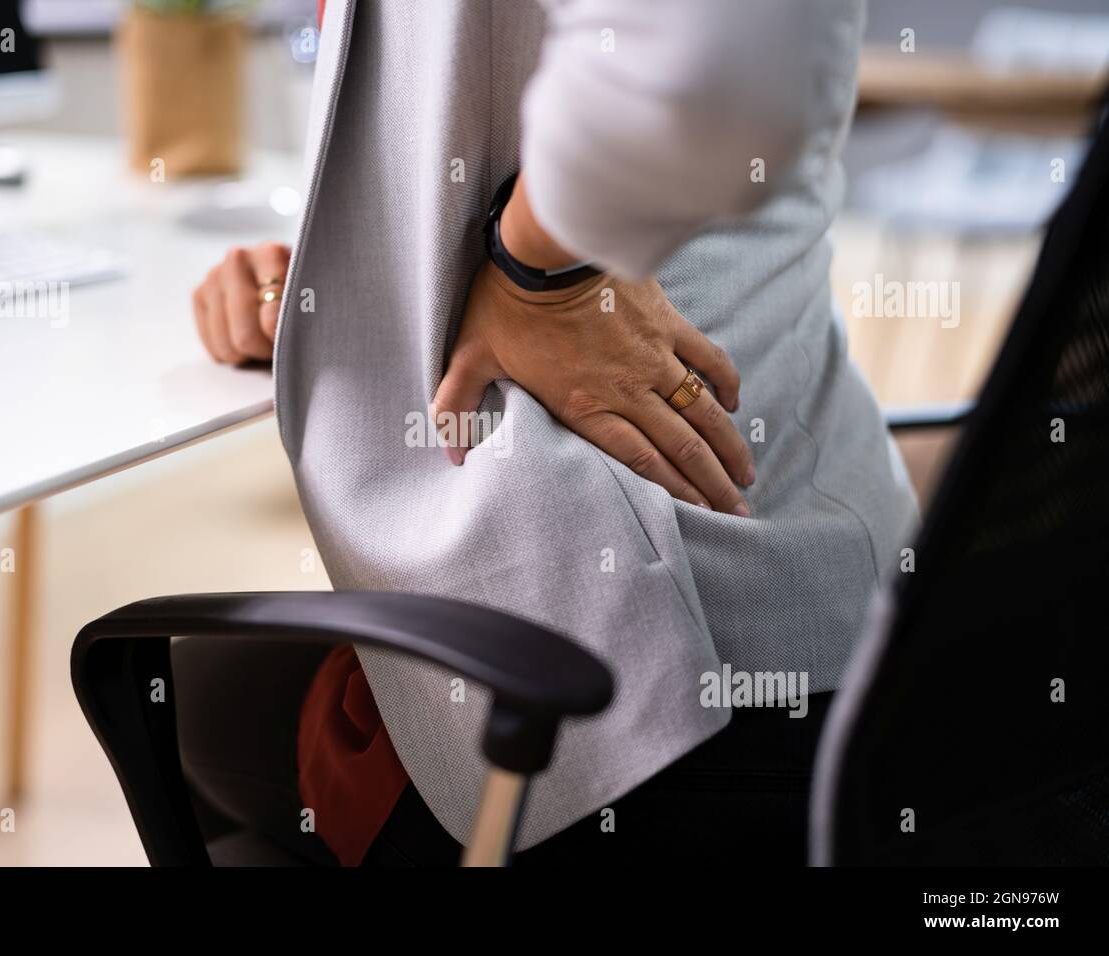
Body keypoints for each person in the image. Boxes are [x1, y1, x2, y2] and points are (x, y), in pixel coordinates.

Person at [184, 0, 917, 866]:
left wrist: (547, 267)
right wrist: (327, 282)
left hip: (647, 708)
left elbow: (729, 50)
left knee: (194, 706)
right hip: (860, 611)